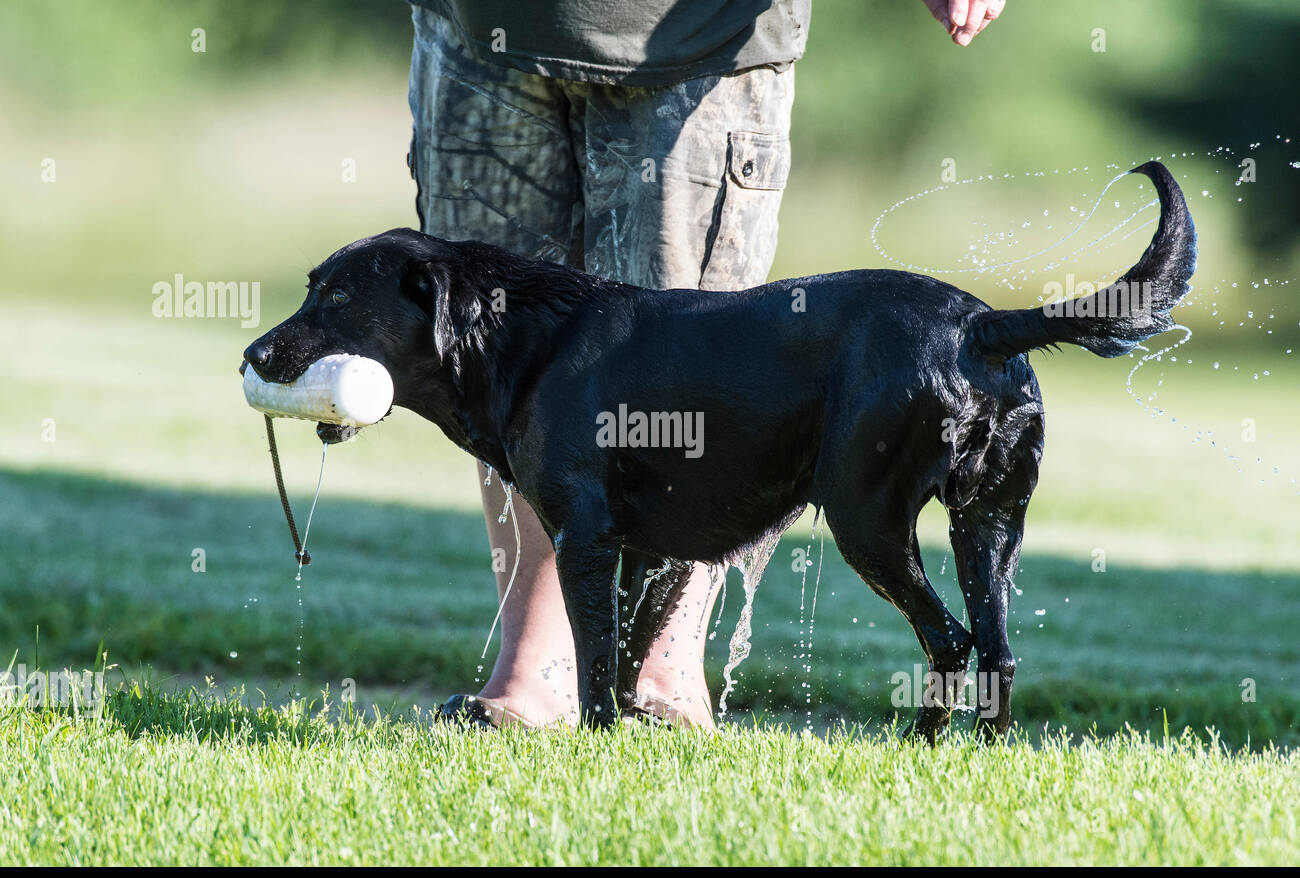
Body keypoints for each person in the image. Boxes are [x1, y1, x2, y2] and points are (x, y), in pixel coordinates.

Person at [406, 0, 1007, 730]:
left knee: (690, 376)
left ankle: (663, 673)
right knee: (504, 361)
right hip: (476, 28)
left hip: (698, 40)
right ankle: (536, 670)